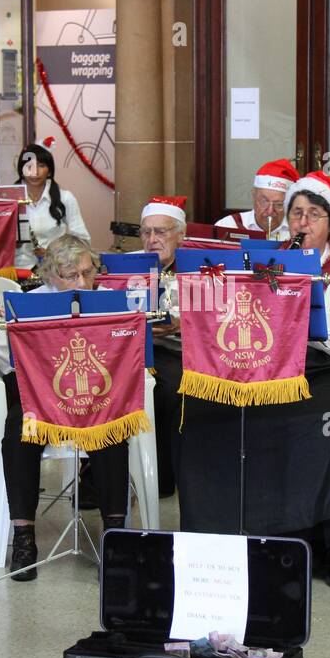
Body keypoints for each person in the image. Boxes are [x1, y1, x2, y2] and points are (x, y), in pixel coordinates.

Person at [177, 172, 330, 589]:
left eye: (313, 215)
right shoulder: (260, 265)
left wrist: (305, 326)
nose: (302, 223)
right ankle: (226, 534)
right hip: (269, 366)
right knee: (206, 416)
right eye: (296, 213)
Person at [0, 235, 130, 580]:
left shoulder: (111, 302)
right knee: (19, 434)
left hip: (94, 399)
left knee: (111, 429)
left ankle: (116, 537)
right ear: (51, 276)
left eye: (86, 273)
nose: (81, 283)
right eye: (70, 275)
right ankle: (24, 539)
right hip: (42, 403)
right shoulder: (28, 305)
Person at [137, 196, 187, 497]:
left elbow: (213, 319)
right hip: (133, 349)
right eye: (146, 232)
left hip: (176, 351)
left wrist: (178, 324)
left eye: (161, 232)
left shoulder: (200, 270)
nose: (152, 240)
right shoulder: (126, 267)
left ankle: (161, 476)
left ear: (180, 235)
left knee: (164, 389)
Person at [12, 139, 90, 270]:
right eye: (29, 166)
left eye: (41, 165)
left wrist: (54, 253)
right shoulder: (7, 198)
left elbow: (82, 240)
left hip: (55, 270)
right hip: (16, 270)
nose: (34, 172)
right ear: (21, 169)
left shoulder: (65, 198)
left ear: (49, 171)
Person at [214, 158, 295, 240]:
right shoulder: (228, 226)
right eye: (264, 201)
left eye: (279, 204)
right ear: (254, 196)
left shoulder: (296, 230)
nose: (270, 211)